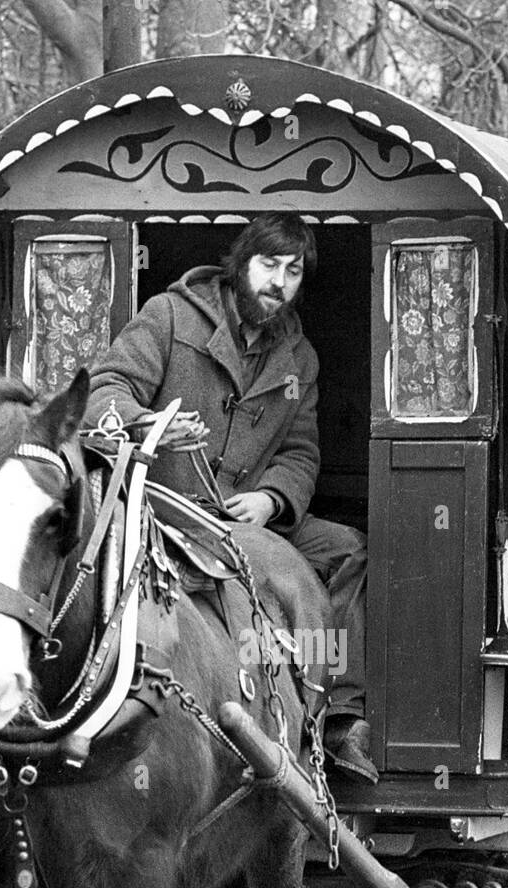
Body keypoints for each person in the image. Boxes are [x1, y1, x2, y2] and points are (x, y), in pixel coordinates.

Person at [84, 212, 377, 782]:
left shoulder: (299, 358)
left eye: (293, 271)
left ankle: (338, 721)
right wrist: (149, 425)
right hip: (167, 507)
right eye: (269, 265)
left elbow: (300, 454)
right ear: (240, 264)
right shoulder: (170, 317)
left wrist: (271, 498)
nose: (280, 282)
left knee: (347, 551)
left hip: (248, 517)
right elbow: (104, 392)